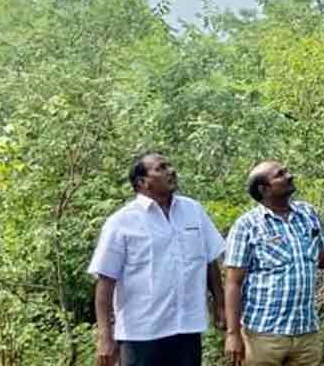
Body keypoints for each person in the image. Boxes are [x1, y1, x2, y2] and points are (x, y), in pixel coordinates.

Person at [224, 160, 324, 366]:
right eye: (280, 174)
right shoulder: (247, 225)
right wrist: (233, 334)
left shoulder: (307, 214)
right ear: (263, 189)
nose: (289, 175)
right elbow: (233, 283)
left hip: (306, 333)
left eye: (286, 171)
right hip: (263, 336)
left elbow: (323, 258)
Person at [88, 152, 226, 366]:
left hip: (187, 328)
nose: (171, 171)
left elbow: (209, 260)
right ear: (143, 182)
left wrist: (220, 304)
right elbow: (105, 282)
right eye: (160, 168)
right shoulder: (122, 222)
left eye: (169, 165)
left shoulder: (193, 211)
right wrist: (105, 336)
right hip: (141, 334)